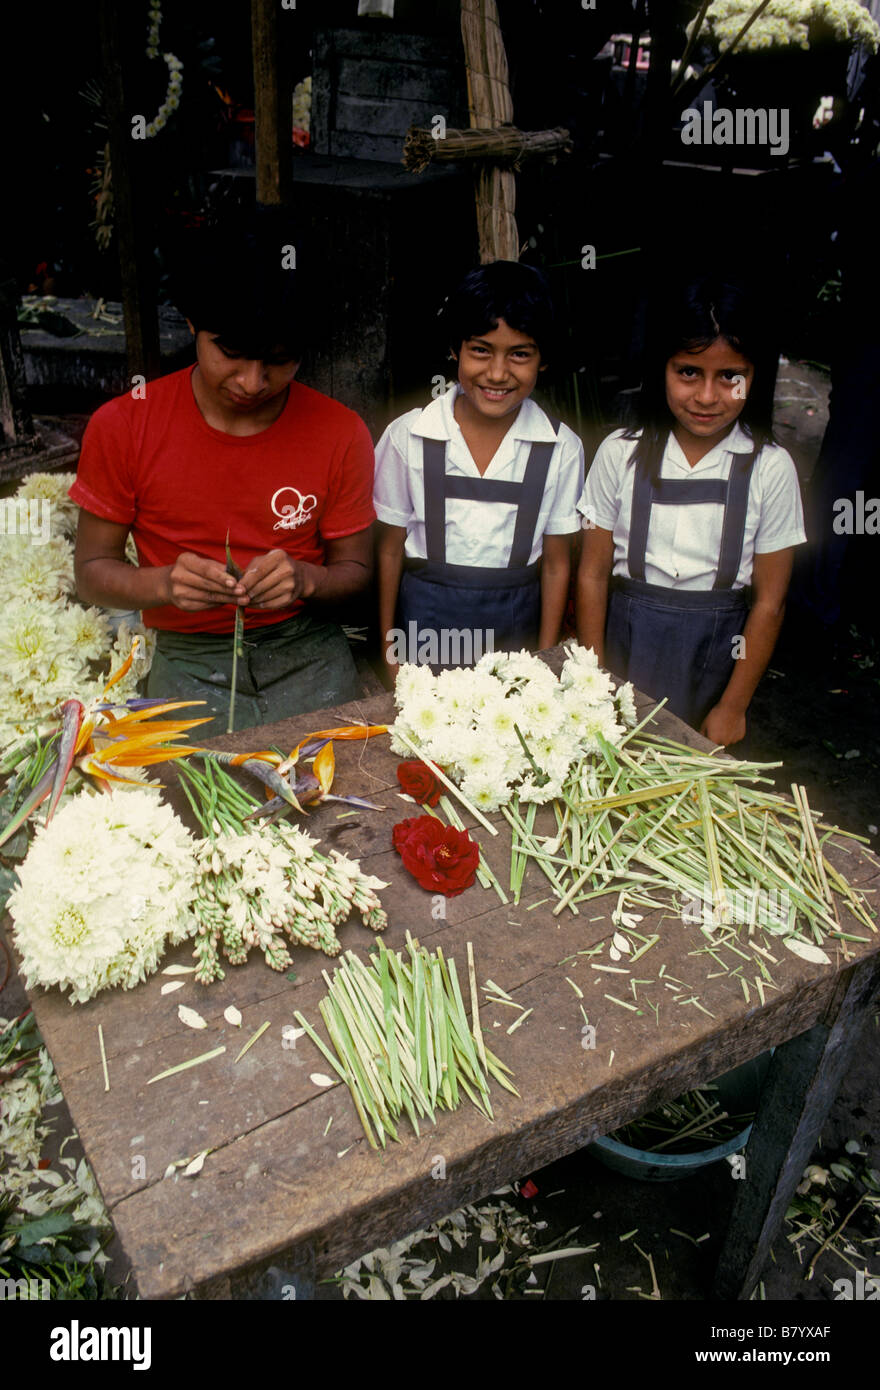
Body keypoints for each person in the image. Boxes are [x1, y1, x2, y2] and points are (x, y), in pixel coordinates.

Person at [71, 221, 375, 733]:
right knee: (193, 790)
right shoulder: (124, 425)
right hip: (190, 654)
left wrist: (307, 578)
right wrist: (163, 583)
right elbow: (91, 571)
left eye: (279, 361)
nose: (253, 382)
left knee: (339, 778)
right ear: (192, 324)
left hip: (305, 641)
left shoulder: (340, 431)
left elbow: (357, 574)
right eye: (231, 354)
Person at [576, 278, 805, 746]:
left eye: (729, 377)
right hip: (624, 647)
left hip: (715, 658)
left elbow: (769, 601)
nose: (706, 397)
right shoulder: (619, 453)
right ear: (661, 368)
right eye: (688, 373)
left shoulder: (770, 467)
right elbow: (593, 575)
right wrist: (591, 677)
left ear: (754, 376)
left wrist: (733, 706)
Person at [373, 261, 582, 679]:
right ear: (454, 348)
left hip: (515, 645)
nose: (498, 373)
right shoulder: (409, 435)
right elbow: (389, 548)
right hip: (423, 639)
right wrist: (389, 652)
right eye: (481, 350)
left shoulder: (561, 448)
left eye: (519, 354)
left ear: (542, 359)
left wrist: (544, 660)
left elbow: (557, 565)